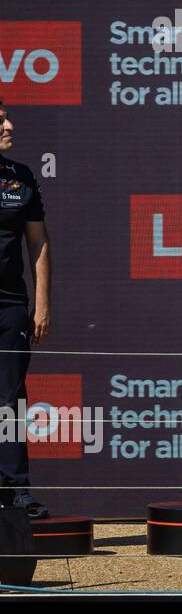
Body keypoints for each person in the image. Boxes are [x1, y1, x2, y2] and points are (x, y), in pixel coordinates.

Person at [0, 102, 51, 519]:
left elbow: (38, 242)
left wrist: (42, 303)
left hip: (10, 304)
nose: (9, 124)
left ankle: (15, 491)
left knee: (10, 398)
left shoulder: (20, 177)